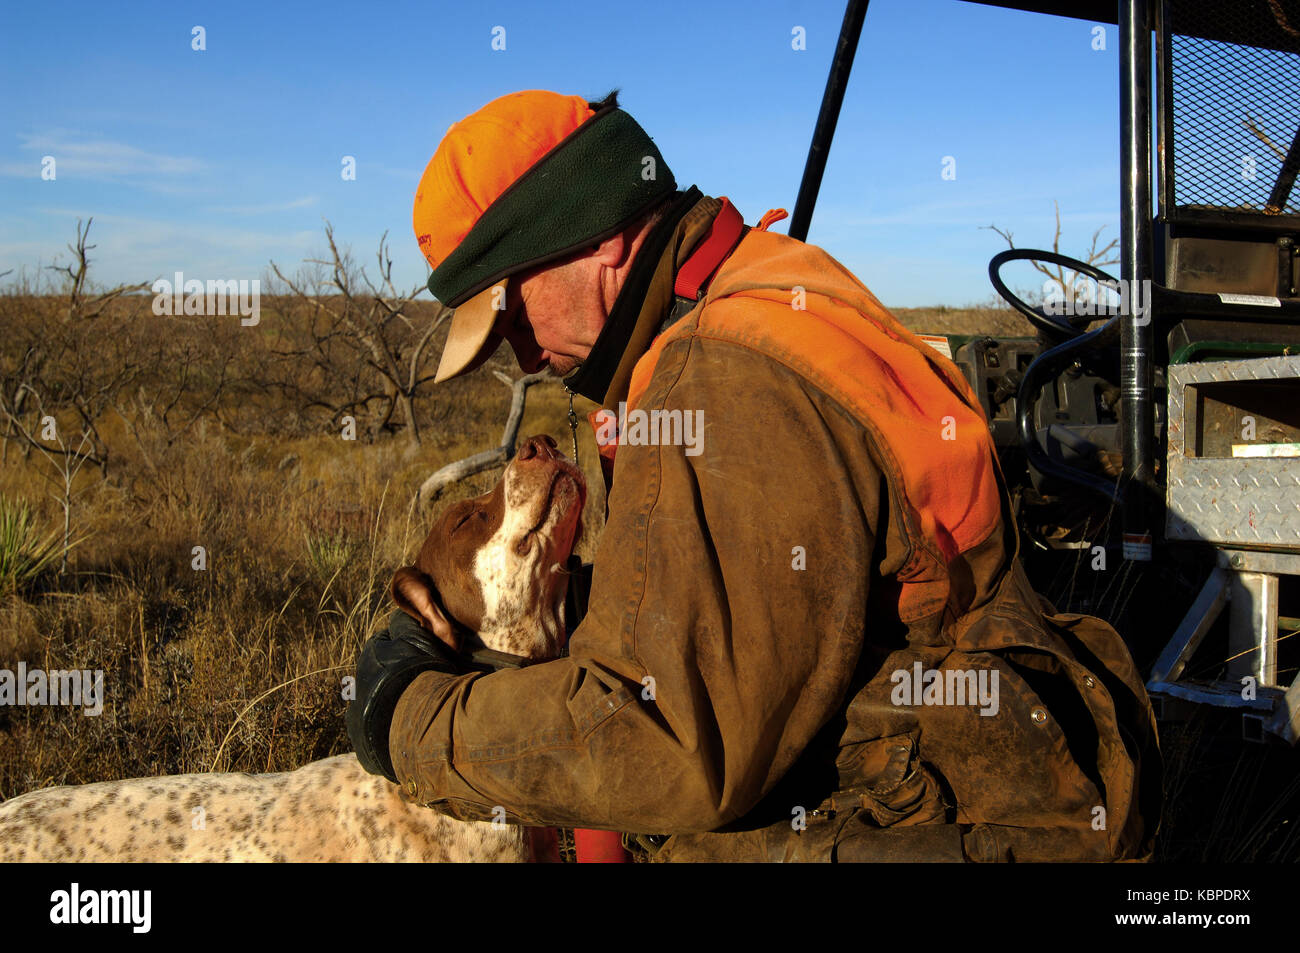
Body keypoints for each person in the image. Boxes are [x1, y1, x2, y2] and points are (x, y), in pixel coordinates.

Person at [346, 89, 1161, 862]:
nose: (523, 355)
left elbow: (659, 741)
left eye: (517, 314)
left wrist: (411, 719)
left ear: (600, 236)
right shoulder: (765, 283)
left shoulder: (720, 377)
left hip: (951, 815)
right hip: (989, 757)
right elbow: (764, 579)